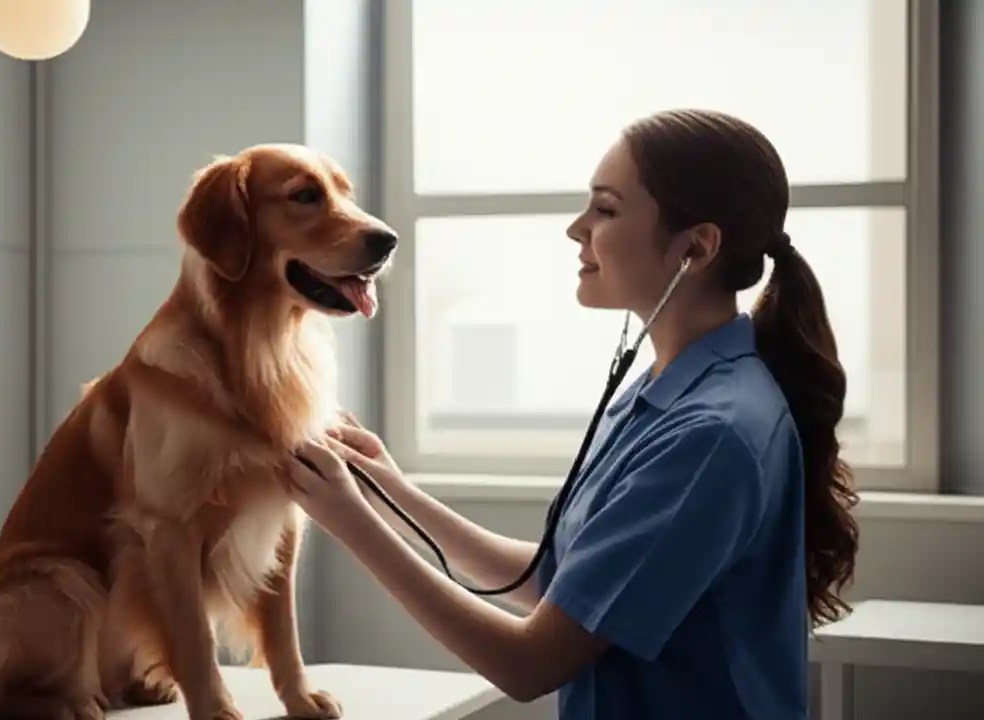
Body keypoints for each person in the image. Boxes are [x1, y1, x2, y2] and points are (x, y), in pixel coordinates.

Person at [288, 108, 860, 719]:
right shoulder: (665, 389)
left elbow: (528, 664)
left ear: (696, 247)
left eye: (606, 210)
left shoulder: (711, 435)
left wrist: (349, 520)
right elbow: (558, 585)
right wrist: (390, 494)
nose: (575, 229)